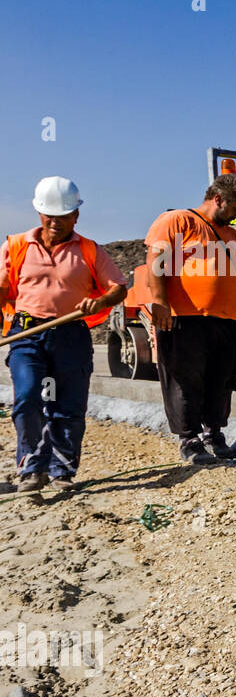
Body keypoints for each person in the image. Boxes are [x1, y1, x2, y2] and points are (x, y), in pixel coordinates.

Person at [142, 174, 236, 465]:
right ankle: (189, 440)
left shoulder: (232, 236)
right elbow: (157, 262)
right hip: (184, 318)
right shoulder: (178, 221)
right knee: (185, 380)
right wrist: (160, 302)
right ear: (218, 199)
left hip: (223, 321)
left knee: (220, 379)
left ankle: (214, 435)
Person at [1, 177, 127, 493]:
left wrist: (100, 301)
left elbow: (118, 288)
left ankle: (61, 472)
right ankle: (32, 468)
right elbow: (2, 289)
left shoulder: (88, 250)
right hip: (27, 334)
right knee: (28, 396)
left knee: (68, 405)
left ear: (76, 216)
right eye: (49, 216)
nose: (55, 222)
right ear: (39, 213)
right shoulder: (16, 245)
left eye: (63, 216)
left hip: (71, 334)